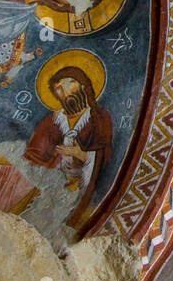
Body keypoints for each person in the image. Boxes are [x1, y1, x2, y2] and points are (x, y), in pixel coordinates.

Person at [23, 64, 113, 228]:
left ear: (83, 85)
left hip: (80, 186)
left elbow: (105, 156)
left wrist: (80, 154)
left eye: (69, 83)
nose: (64, 92)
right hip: (50, 184)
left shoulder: (99, 118)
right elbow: (33, 154)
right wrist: (50, 164)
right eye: (58, 89)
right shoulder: (51, 121)